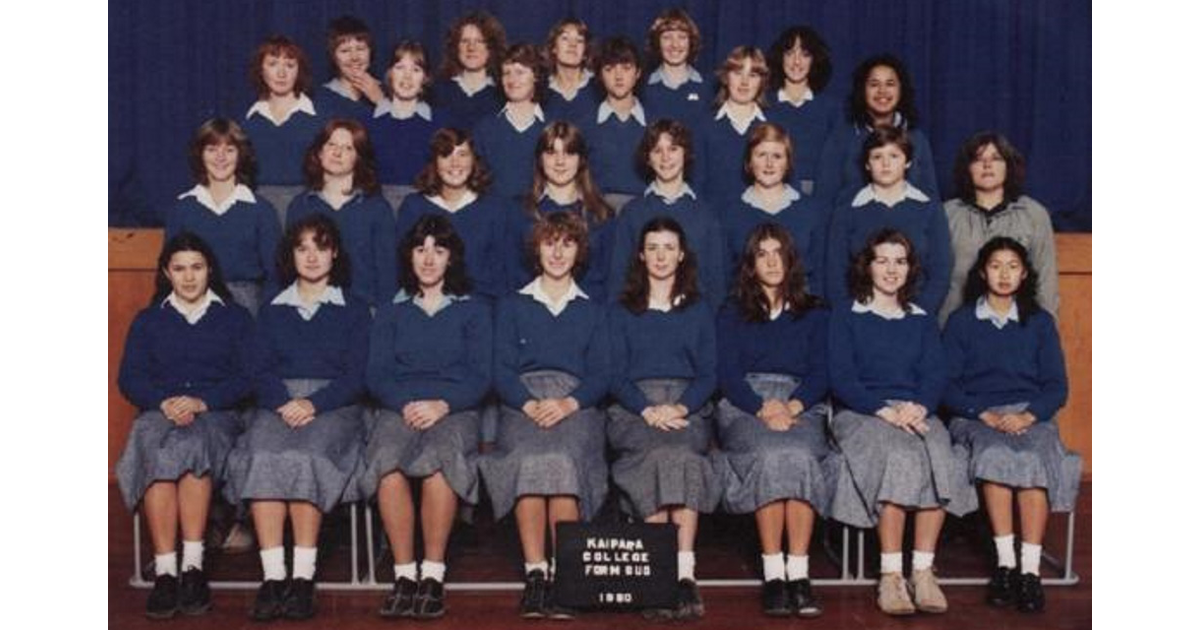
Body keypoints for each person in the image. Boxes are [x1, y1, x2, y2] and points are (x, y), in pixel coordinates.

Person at [825, 229, 975, 616]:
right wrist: (886, 411)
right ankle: (891, 574)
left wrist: (920, 406)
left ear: (910, 269)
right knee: (898, 455)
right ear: (868, 266)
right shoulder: (847, 315)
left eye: (900, 261)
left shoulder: (921, 319)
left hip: (914, 410)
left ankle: (923, 571)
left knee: (939, 451)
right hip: (863, 412)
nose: (892, 269)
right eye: (883, 260)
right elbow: (842, 378)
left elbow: (934, 374)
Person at [115, 232, 254, 620]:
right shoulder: (149, 320)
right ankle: (165, 572)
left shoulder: (233, 317)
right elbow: (130, 377)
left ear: (209, 270)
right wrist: (163, 402)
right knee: (156, 449)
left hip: (215, 413)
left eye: (196, 267)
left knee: (192, 449)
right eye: (179, 269)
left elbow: (248, 377)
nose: (189, 277)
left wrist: (202, 402)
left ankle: (192, 568)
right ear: (166, 273)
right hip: (160, 411)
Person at [481, 212, 611, 620]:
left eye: (567, 243)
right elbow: (500, 368)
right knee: (531, 459)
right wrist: (527, 402)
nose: (557, 252)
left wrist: (570, 403)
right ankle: (536, 573)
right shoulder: (513, 304)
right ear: (536, 249)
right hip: (525, 403)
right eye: (549, 242)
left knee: (562, 459)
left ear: (579, 251)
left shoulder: (594, 310)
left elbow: (603, 371)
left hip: (576, 404)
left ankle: (567, 575)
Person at [362, 215, 492, 620]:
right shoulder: (391, 310)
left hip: (454, 408)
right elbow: (376, 374)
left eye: (438, 250)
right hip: (400, 405)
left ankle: (433, 575)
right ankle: (404, 575)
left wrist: (441, 405)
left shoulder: (473, 309)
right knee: (386, 457)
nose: (429, 259)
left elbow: (481, 374)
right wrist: (407, 404)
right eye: (421, 250)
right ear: (409, 257)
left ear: (451, 257)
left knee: (441, 457)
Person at [943, 237, 1079, 614]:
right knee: (996, 454)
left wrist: (1028, 415)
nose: (1004, 274)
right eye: (996, 266)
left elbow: (1056, 386)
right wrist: (981, 413)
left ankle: (1029, 572)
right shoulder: (963, 321)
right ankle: (1005, 565)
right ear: (983, 272)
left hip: (1029, 413)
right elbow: (947, 384)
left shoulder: (1038, 322)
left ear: (1024, 274)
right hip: (978, 414)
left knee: (1033, 457)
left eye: (1013, 266)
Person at [714, 224, 831, 618]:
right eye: (762, 254)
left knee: (797, 453)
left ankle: (798, 573)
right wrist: (763, 406)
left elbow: (821, 372)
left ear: (791, 259)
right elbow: (727, 374)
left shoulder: (814, 311)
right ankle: (774, 575)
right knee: (769, 452)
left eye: (778, 253)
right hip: (746, 403)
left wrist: (793, 407)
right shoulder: (732, 312)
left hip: (802, 402)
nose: (771, 261)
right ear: (751, 263)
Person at [607, 217, 719, 621]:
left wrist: (681, 407)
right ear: (641, 254)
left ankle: (684, 573)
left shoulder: (699, 308)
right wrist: (647, 408)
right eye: (652, 247)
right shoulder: (621, 309)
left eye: (668, 247)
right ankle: (657, 571)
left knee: (684, 455)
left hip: (685, 404)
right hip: (635, 407)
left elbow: (708, 373)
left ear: (682, 254)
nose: (660, 256)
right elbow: (614, 373)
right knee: (654, 454)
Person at [826, 125, 951, 313]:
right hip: (858, 316)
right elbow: (835, 271)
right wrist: (848, 314)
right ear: (867, 164)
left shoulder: (929, 207)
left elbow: (940, 270)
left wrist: (919, 313)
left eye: (894, 156)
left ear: (907, 162)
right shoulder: (848, 209)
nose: (885, 164)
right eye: (877, 156)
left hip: (914, 315)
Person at [165, 118, 281, 316]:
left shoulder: (261, 210)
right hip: (193, 303)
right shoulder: (182, 209)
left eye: (229, 150)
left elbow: (275, 276)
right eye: (211, 149)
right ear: (200, 155)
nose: (221, 158)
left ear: (241, 155)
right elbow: (169, 271)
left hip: (248, 304)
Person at [940, 132, 1059, 323]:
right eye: (978, 159)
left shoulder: (1033, 214)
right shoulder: (946, 214)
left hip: (1017, 329)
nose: (987, 165)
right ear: (967, 168)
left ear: (1008, 166)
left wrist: (1044, 334)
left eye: (996, 158)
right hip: (953, 329)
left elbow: (1046, 284)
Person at [608, 119, 725, 308]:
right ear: (648, 158)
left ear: (685, 153)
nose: (665, 158)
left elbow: (716, 284)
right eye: (657, 151)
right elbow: (618, 282)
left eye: (673, 149)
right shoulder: (632, 213)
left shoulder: (706, 214)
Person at [285, 118, 397, 309]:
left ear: (359, 157)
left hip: (365, 309)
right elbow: (289, 267)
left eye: (348, 148)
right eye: (331, 145)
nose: (337, 153)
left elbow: (388, 275)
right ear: (320, 152)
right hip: (311, 307)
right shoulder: (300, 206)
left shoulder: (377, 208)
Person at [395, 127, 506, 302]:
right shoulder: (413, 207)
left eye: (462, 154)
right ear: (435, 162)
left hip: (479, 308)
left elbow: (502, 275)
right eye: (446, 155)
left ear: (474, 160)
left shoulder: (494, 208)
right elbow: (403, 269)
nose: (455, 163)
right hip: (425, 306)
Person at [507, 122, 614, 300]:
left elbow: (608, 280)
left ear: (581, 160)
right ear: (540, 159)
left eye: (569, 153)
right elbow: (512, 276)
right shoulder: (519, 211)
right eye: (551, 153)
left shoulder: (601, 214)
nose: (560, 161)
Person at [816, 53, 940, 207]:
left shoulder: (916, 139)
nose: (882, 91)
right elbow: (823, 198)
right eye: (874, 84)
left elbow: (931, 198)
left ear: (901, 90)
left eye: (890, 84)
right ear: (862, 90)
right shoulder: (841, 138)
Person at [722, 123, 829, 299]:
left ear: (788, 163)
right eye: (761, 155)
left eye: (777, 156)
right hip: (746, 308)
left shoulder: (811, 211)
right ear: (749, 161)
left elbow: (820, 275)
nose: (769, 164)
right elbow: (725, 276)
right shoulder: (730, 213)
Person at [242, 35, 327, 212]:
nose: (281, 73)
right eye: (273, 64)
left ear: (299, 71)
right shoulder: (247, 122)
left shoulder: (321, 119)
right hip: (258, 207)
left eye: (289, 65)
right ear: (260, 70)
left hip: (308, 206)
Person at [694, 46, 773, 207]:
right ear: (725, 77)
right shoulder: (703, 126)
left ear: (762, 82)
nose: (744, 82)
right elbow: (696, 185)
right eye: (737, 73)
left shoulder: (774, 126)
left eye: (752, 75)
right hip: (715, 222)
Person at [367, 41, 442, 210]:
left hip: (426, 208)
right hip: (378, 209)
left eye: (416, 70)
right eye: (400, 67)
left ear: (425, 78)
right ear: (390, 74)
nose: (407, 76)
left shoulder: (440, 123)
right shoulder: (367, 123)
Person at [765, 26, 839, 196]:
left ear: (814, 60)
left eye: (805, 55)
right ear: (780, 58)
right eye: (790, 53)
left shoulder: (832, 109)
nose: (796, 62)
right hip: (772, 192)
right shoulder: (764, 106)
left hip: (819, 196)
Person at [580, 36, 650, 210]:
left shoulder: (654, 124)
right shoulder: (585, 126)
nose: (618, 76)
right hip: (598, 210)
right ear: (600, 75)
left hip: (645, 210)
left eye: (626, 68)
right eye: (609, 69)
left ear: (638, 73)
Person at [473, 43, 548, 202]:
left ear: (536, 75)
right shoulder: (485, 128)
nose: (512, 80)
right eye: (506, 73)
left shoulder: (552, 127)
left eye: (520, 72)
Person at [432, 11, 506, 130]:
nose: (471, 47)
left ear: (491, 48)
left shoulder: (503, 94)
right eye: (465, 41)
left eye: (479, 41)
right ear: (456, 47)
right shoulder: (438, 91)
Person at [641, 8, 711, 132]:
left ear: (691, 42)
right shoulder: (643, 87)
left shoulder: (708, 87)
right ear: (657, 42)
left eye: (682, 37)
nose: (675, 45)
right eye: (667, 37)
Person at [312, 16, 385, 122]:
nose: (354, 57)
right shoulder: (320, 98)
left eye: (360, 49)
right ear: (333, 57)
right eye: (345, 51)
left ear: (370, 51)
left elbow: (404, 135)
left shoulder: (391, 93)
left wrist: (381, 100)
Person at [542, 18, 600, 128]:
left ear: (585, 52)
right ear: (553, 48)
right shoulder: (541, 90)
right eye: (565, 38)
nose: (572, 44)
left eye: (579, 40)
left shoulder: (599, 87)